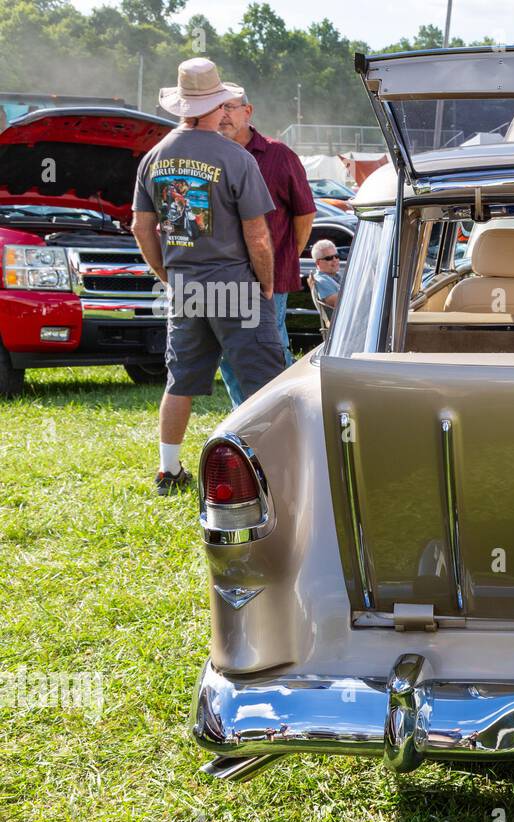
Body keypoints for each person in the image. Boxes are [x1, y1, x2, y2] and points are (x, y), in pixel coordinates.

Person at [131, 58, 285, 495]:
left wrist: (167, 273)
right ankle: (271, 468)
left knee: (180, 379)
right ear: (216, 106)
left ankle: (168, 469)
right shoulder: (235, 157)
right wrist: (268, 284)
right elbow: (257, 235)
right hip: (235, 285)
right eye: (223, 104)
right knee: (264, 381)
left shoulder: (153, 158)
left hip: (185, 286)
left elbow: (142, 228)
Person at [216, 90, 316, 406]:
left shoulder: (278, 155)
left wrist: (285, 256)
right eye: (216, 109)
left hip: (267, 281)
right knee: (229, 355)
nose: (223, 115)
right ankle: (244, 421)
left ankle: (288, 418)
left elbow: (305, 212)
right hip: (222, 276)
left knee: (271, 350)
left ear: (249, 110)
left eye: (230, 108)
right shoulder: (211, 155)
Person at [309, 238, 343, 322]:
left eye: (336, 256)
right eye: (329, 258)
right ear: (318, 263)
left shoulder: (338, 276)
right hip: (342, 327)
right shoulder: (321, 281)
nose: (335, 260)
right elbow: (339, 303)